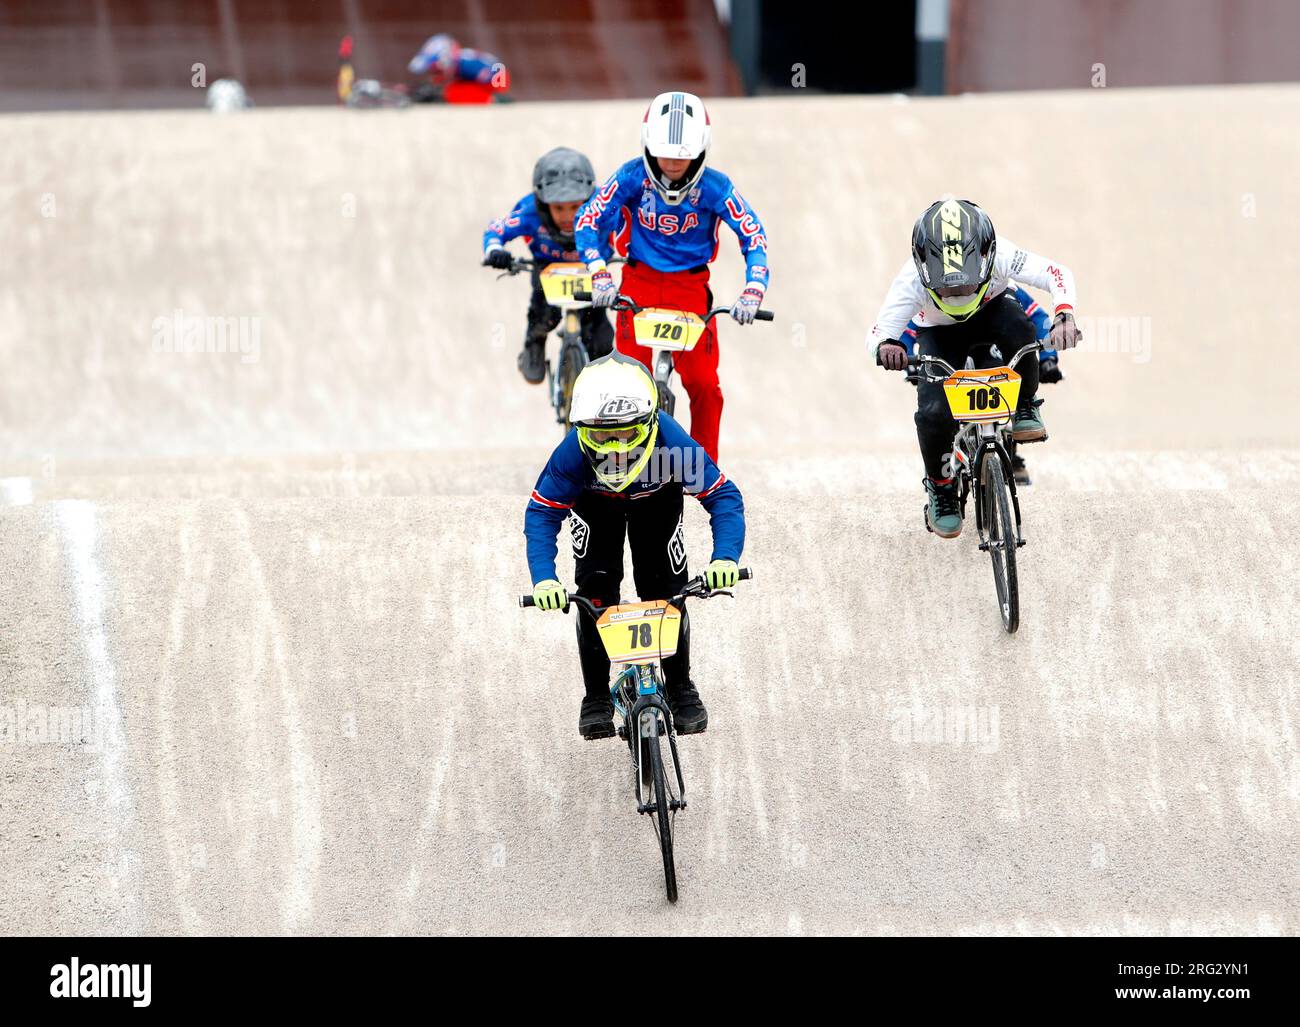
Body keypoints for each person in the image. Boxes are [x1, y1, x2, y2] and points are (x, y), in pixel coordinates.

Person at [523, 352, 746, 739]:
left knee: (666, 588)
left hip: (656, 505)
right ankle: (595, 696)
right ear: (580, 430)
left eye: (624, 433)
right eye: (600, 434)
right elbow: (541, 515)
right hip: (596, 509)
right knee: (595, 593)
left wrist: (724, 557)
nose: (613, 448)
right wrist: (545, 579)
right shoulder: (572, 453)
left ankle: (679, 686)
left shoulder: (672, 442)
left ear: (648, 422)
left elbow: (724, 498)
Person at [573, 90, 771, 462]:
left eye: (683, 154)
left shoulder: (716, 187)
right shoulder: (631, 176)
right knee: (625, 381)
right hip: (638, 284)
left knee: (704, 385)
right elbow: (587, 218)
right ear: (648, 146)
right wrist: (599, 273)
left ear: (701, 150)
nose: (673, 162)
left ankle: (703, 466)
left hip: (690, 290)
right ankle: (616, 458)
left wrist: (753, 290)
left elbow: (753, 234)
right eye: (665, 152)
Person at [870, 198, 1081, 537]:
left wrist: (1064, 315)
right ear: (924, 270)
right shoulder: (910, 279)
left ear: (986, 260)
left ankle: (1025, 404)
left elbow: (1057, 274)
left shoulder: (1002, 256)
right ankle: (940, 487)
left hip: (993, 314)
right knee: (933, 411)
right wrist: (888, 347)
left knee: (1022, 329)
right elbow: (879, 333)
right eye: (946, 286)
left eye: (965, 285)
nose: (955, 294)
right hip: (938, 334)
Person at [900, 283, 1061, 484]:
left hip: (990, 350)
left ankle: (1010, 450)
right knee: (942, 405)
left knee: (1005, 377)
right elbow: (908, 328)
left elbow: (1039, 319)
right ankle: (946, 457)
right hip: (951, 349)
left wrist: (1048, 359)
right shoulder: (936, 291)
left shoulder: (1002, 283)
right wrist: (909, 362)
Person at [483, 148, 617, 383]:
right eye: (558, 207)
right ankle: (535, 339)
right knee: (543, 314)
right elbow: (497, 230)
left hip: (592, 273)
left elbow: (634, 228)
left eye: (575, 207)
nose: (568, 216)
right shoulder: (529, 211)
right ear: (544, 204)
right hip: (548, 270)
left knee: (601, 340)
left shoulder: (605, 207)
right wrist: (495, 250)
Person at [407, 33, 509, 103]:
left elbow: (500, 82)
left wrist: (494, 99)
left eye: (435, 70)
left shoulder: (469, 65)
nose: (434, 73)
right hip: (488, 80)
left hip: (495, 82)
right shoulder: (455, 66)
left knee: (455, 92)